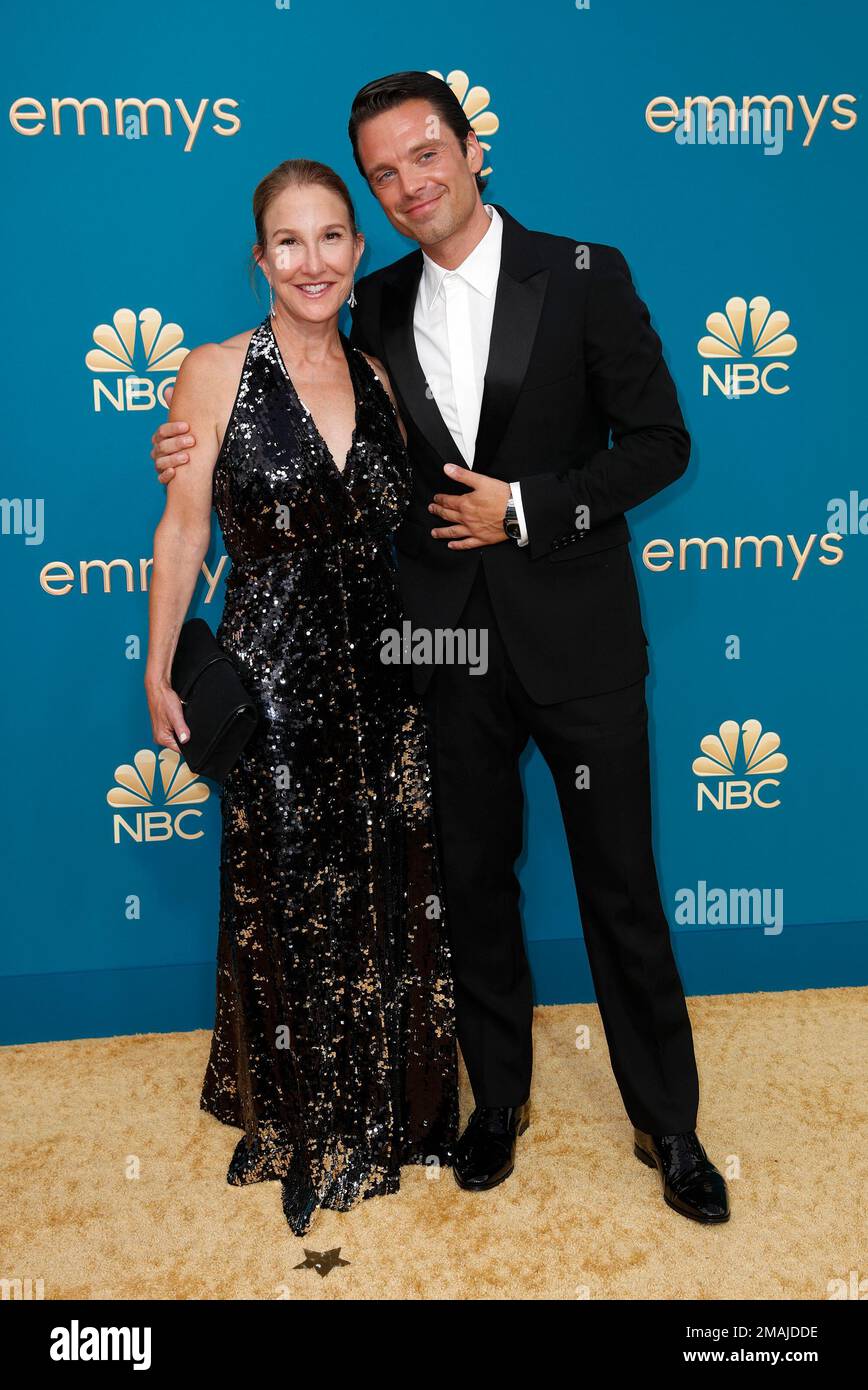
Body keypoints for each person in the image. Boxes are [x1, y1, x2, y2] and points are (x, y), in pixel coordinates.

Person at [152, 72, 730, 1224]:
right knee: (468, 888)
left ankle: (669, 1125)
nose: (411, 182)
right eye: (383, 170)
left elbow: (661, 444)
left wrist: (526, 507)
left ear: (472, 151)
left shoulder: (584, 273)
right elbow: (300, 423)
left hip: (580, 640)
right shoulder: (366, 305)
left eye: (426, 154)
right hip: (437, 654)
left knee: (621, 889)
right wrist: (188, 439)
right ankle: (495, 1106)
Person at [144, 158, 458, 1237]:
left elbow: (417, 523)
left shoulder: (381, 379)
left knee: (392, 883)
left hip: (385, 681)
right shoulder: (215, 371)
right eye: (290, 241)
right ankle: (296, 1127)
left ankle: (399, 1111)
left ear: (358, 252)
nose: (312, 259)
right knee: (284, 898)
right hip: (272, 680)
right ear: (259, 258)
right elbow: (185, 528)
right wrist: (155, 665)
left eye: (332, 237)